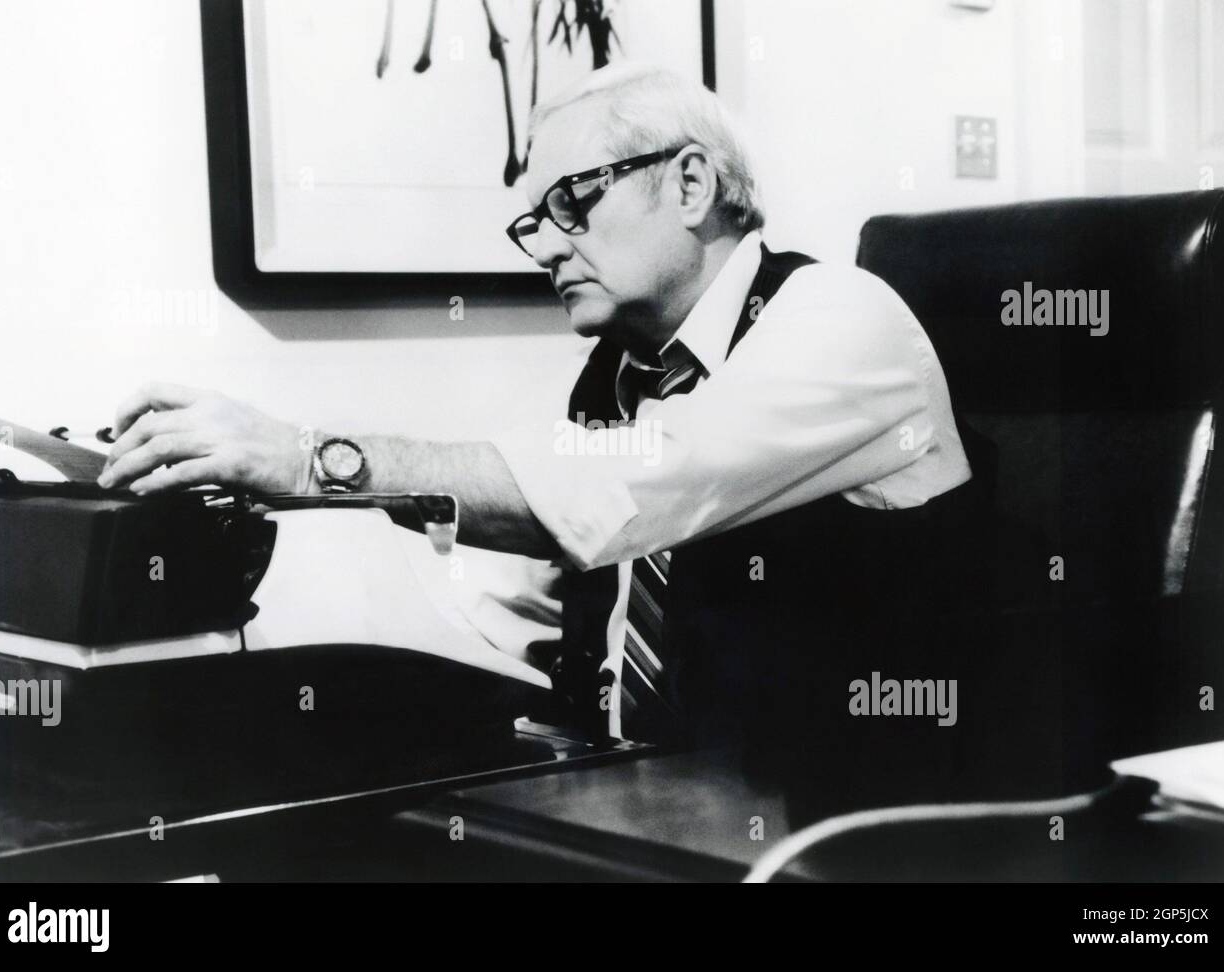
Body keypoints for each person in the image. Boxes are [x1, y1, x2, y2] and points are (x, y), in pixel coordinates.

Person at [99, 65, 981, 798]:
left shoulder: (841, 321)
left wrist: (307, 458)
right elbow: (520, 591)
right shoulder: (623, 373)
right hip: (653, 795)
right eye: (534, 223)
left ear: (690, 183)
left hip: (854, 820)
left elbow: (622, 492)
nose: (547, 248)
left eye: (571, 202)